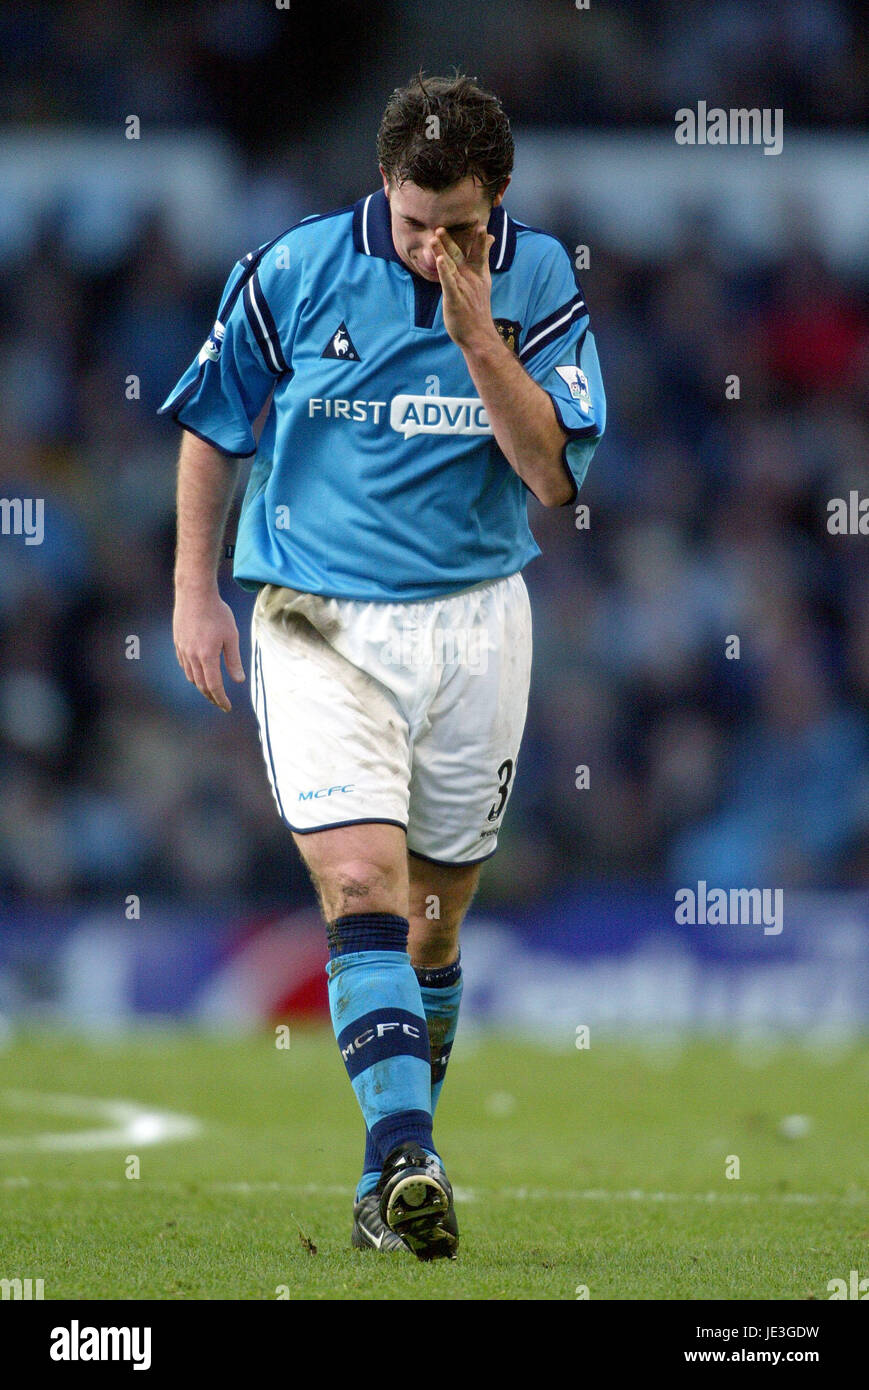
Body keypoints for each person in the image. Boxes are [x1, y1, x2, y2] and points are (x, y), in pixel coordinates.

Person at [161, 71, 605, 1261]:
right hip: (316, 621)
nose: (428, 248)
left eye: (455, 228)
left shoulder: (542, 279)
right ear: (382, 190)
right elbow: (214, 423)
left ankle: (383, 1180)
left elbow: (552, 478)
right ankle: (411, 1158)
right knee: (361, 881)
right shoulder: (295, 269)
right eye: (410, 225)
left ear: (497, 199)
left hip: (473, 623)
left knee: (432, 922)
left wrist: (475, 341)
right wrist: (193, 591)